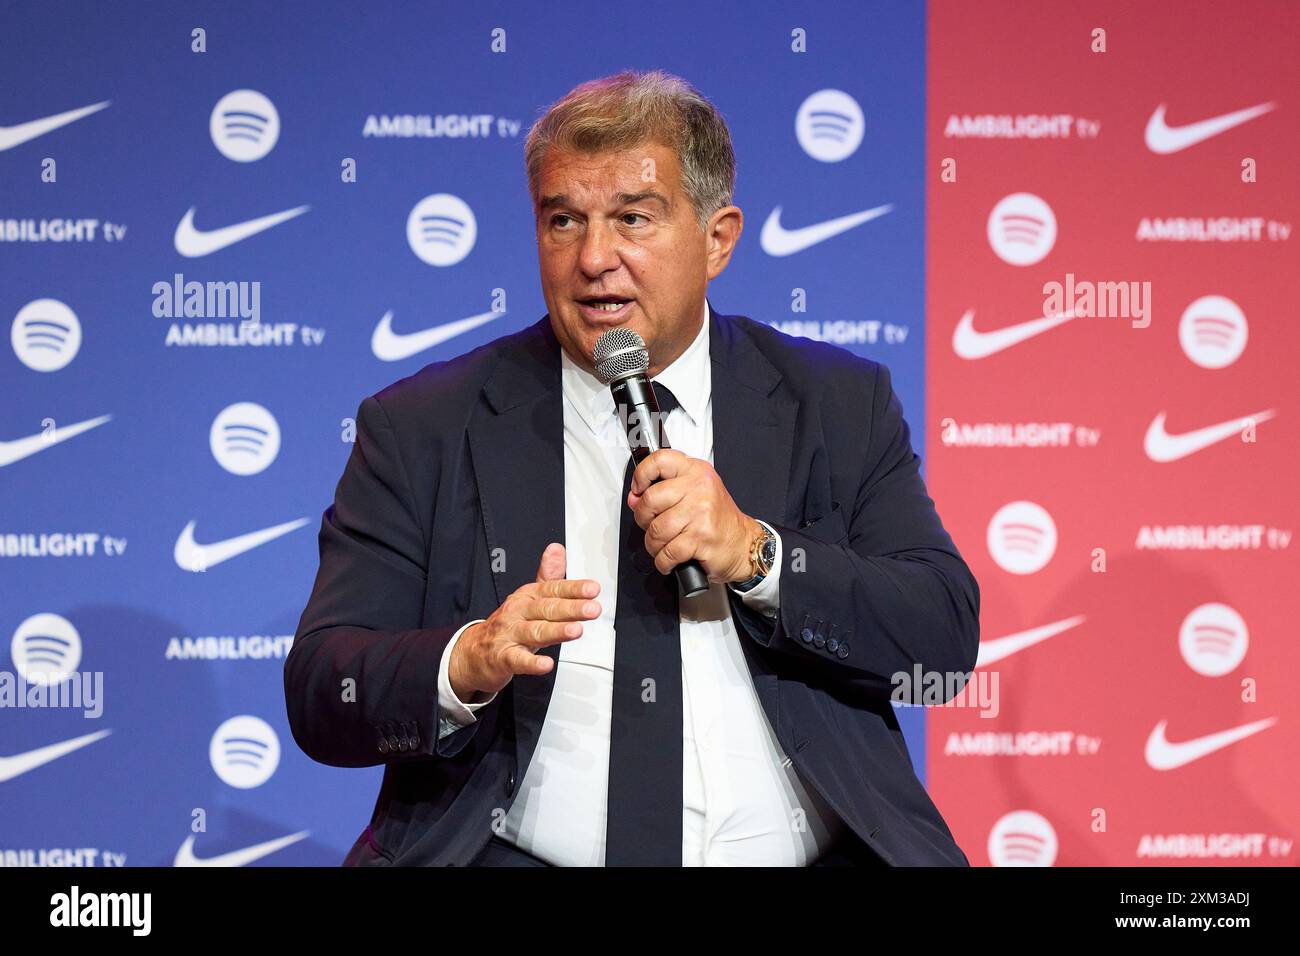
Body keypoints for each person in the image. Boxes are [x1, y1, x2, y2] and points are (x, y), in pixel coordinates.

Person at [284, 69, 979, 867]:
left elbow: (940, 641)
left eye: (633, 218)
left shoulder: (835, 402)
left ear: (717, 238)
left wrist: (760, 555)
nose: (593, 258)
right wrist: (466, 661)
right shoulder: (423, 426)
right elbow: (320, 691)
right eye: (563, 220)